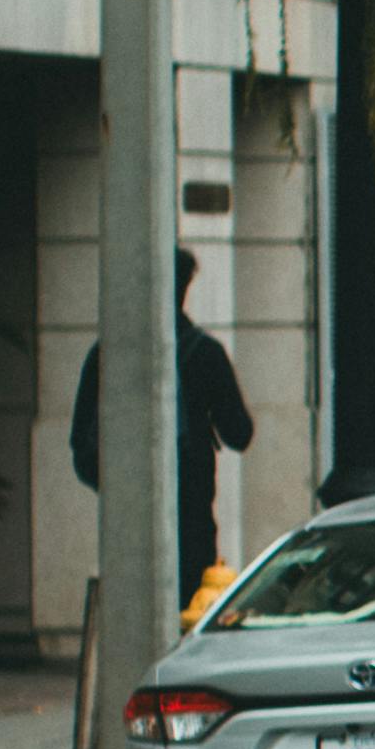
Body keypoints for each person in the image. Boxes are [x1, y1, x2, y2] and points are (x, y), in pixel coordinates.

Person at [70, 247, 258, 606]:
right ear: (185, 288)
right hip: (192, 510)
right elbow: (239, 433)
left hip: (126, 514)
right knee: (188, 607)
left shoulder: (105, 355)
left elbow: (81, 442)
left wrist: (114, 484)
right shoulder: (206, 354)